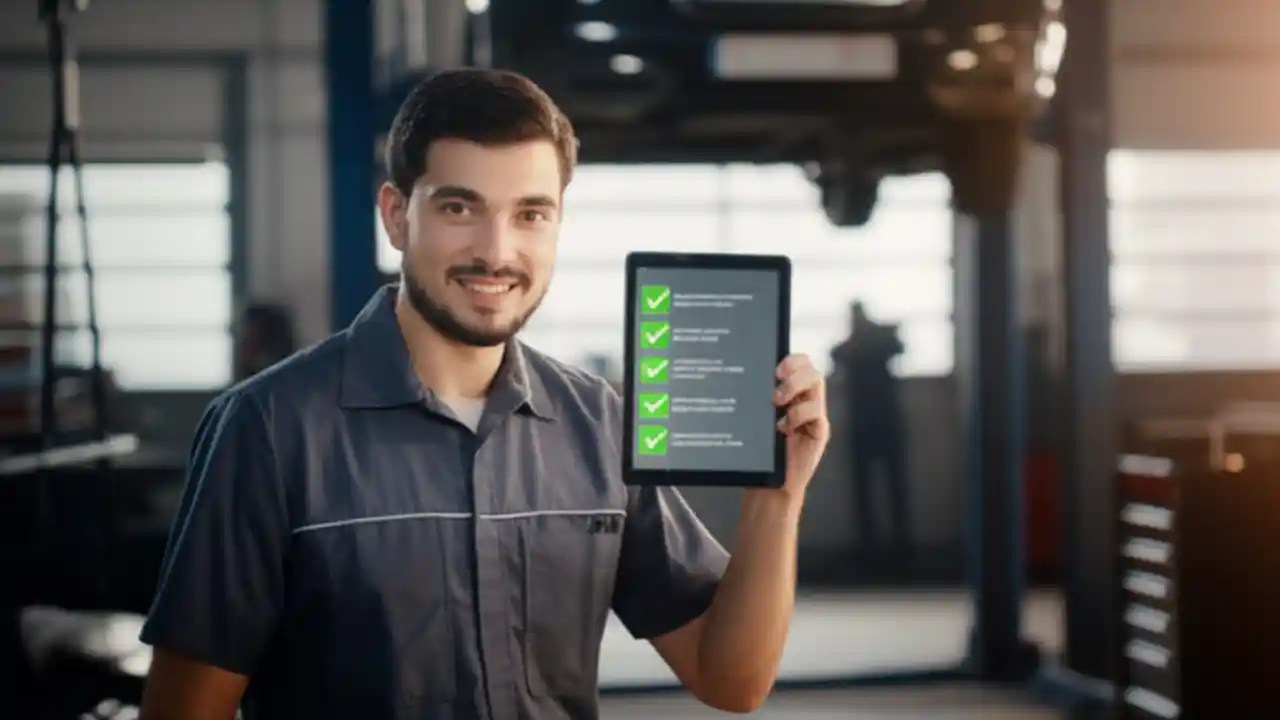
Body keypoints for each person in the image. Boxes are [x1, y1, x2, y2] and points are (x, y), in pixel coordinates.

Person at [137, 68, 830, 720]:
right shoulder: (267, 429)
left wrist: (778, 496)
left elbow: (730, 679)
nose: (497, 251)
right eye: (461, 207)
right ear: (396, 215)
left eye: (531, 214)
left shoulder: (599, 425)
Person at [831, 302, 909, 568]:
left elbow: (899, 347)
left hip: (882, 423)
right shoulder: (852, 347)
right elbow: (837, 356)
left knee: (893, 488)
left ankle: (900, 546)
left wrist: (876, 335)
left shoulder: (878, 342)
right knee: (866, 492)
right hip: (867, 425)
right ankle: (869, 549)